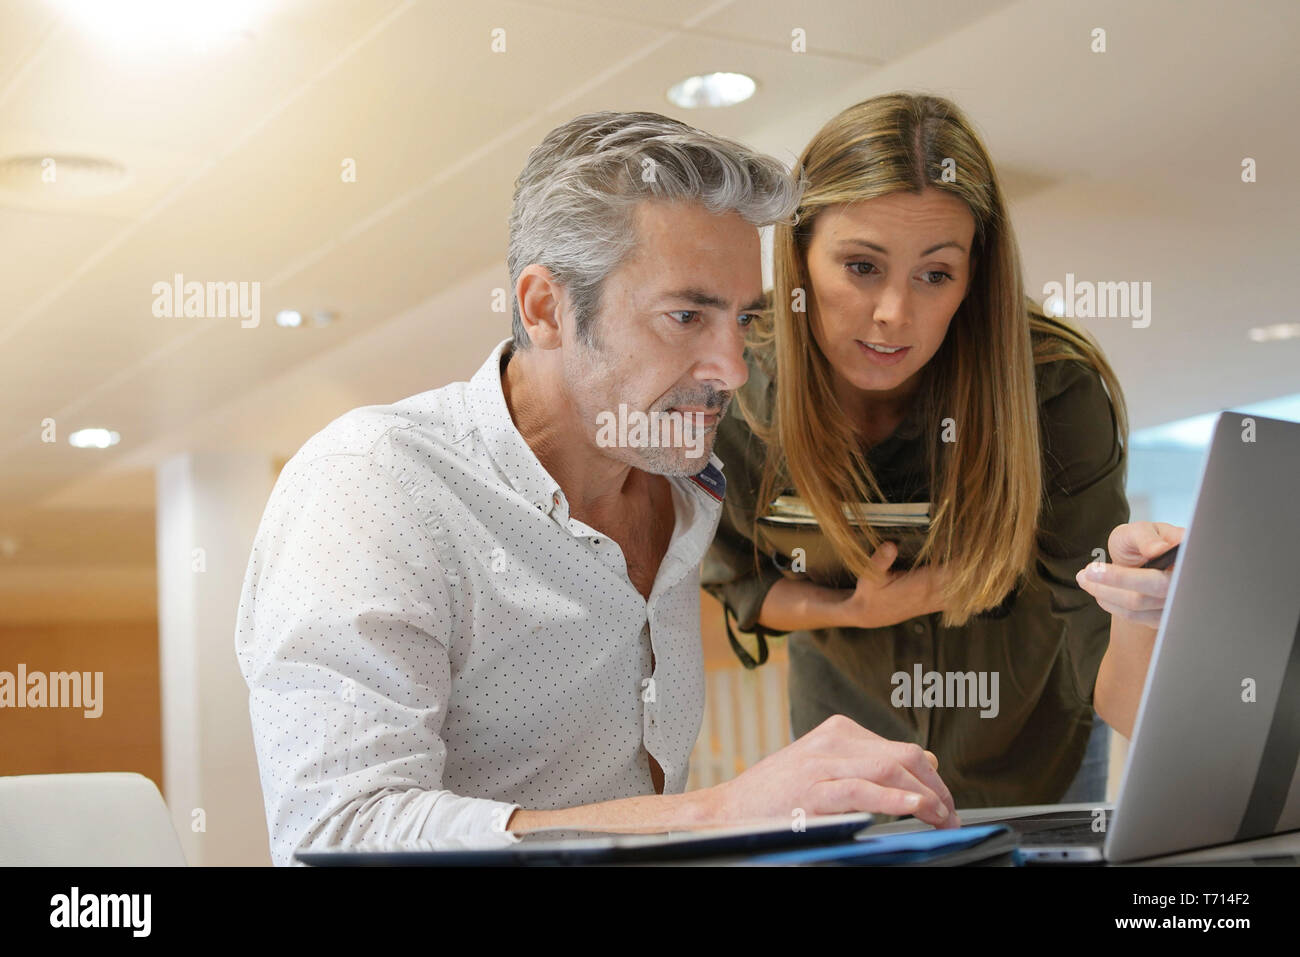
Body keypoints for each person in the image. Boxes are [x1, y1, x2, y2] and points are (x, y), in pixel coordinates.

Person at [236, 111, 958, 867]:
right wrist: (717, 813)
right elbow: (337, 832)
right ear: (546, 308)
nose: (734, 368)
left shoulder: (690, 489)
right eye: (685, 316)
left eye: (743, 318)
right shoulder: (373, 481)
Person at [702, 92, 1138, 810]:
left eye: (936, 274)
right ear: (801, 253)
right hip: (850, 755)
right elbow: (740, 584)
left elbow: (1097, 626)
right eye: (861, 267)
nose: (893, 314)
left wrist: (1156, 628)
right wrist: (855, 612)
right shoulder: (740, 387)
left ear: (975, 274)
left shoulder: (1052, 391)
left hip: (1032, 748)